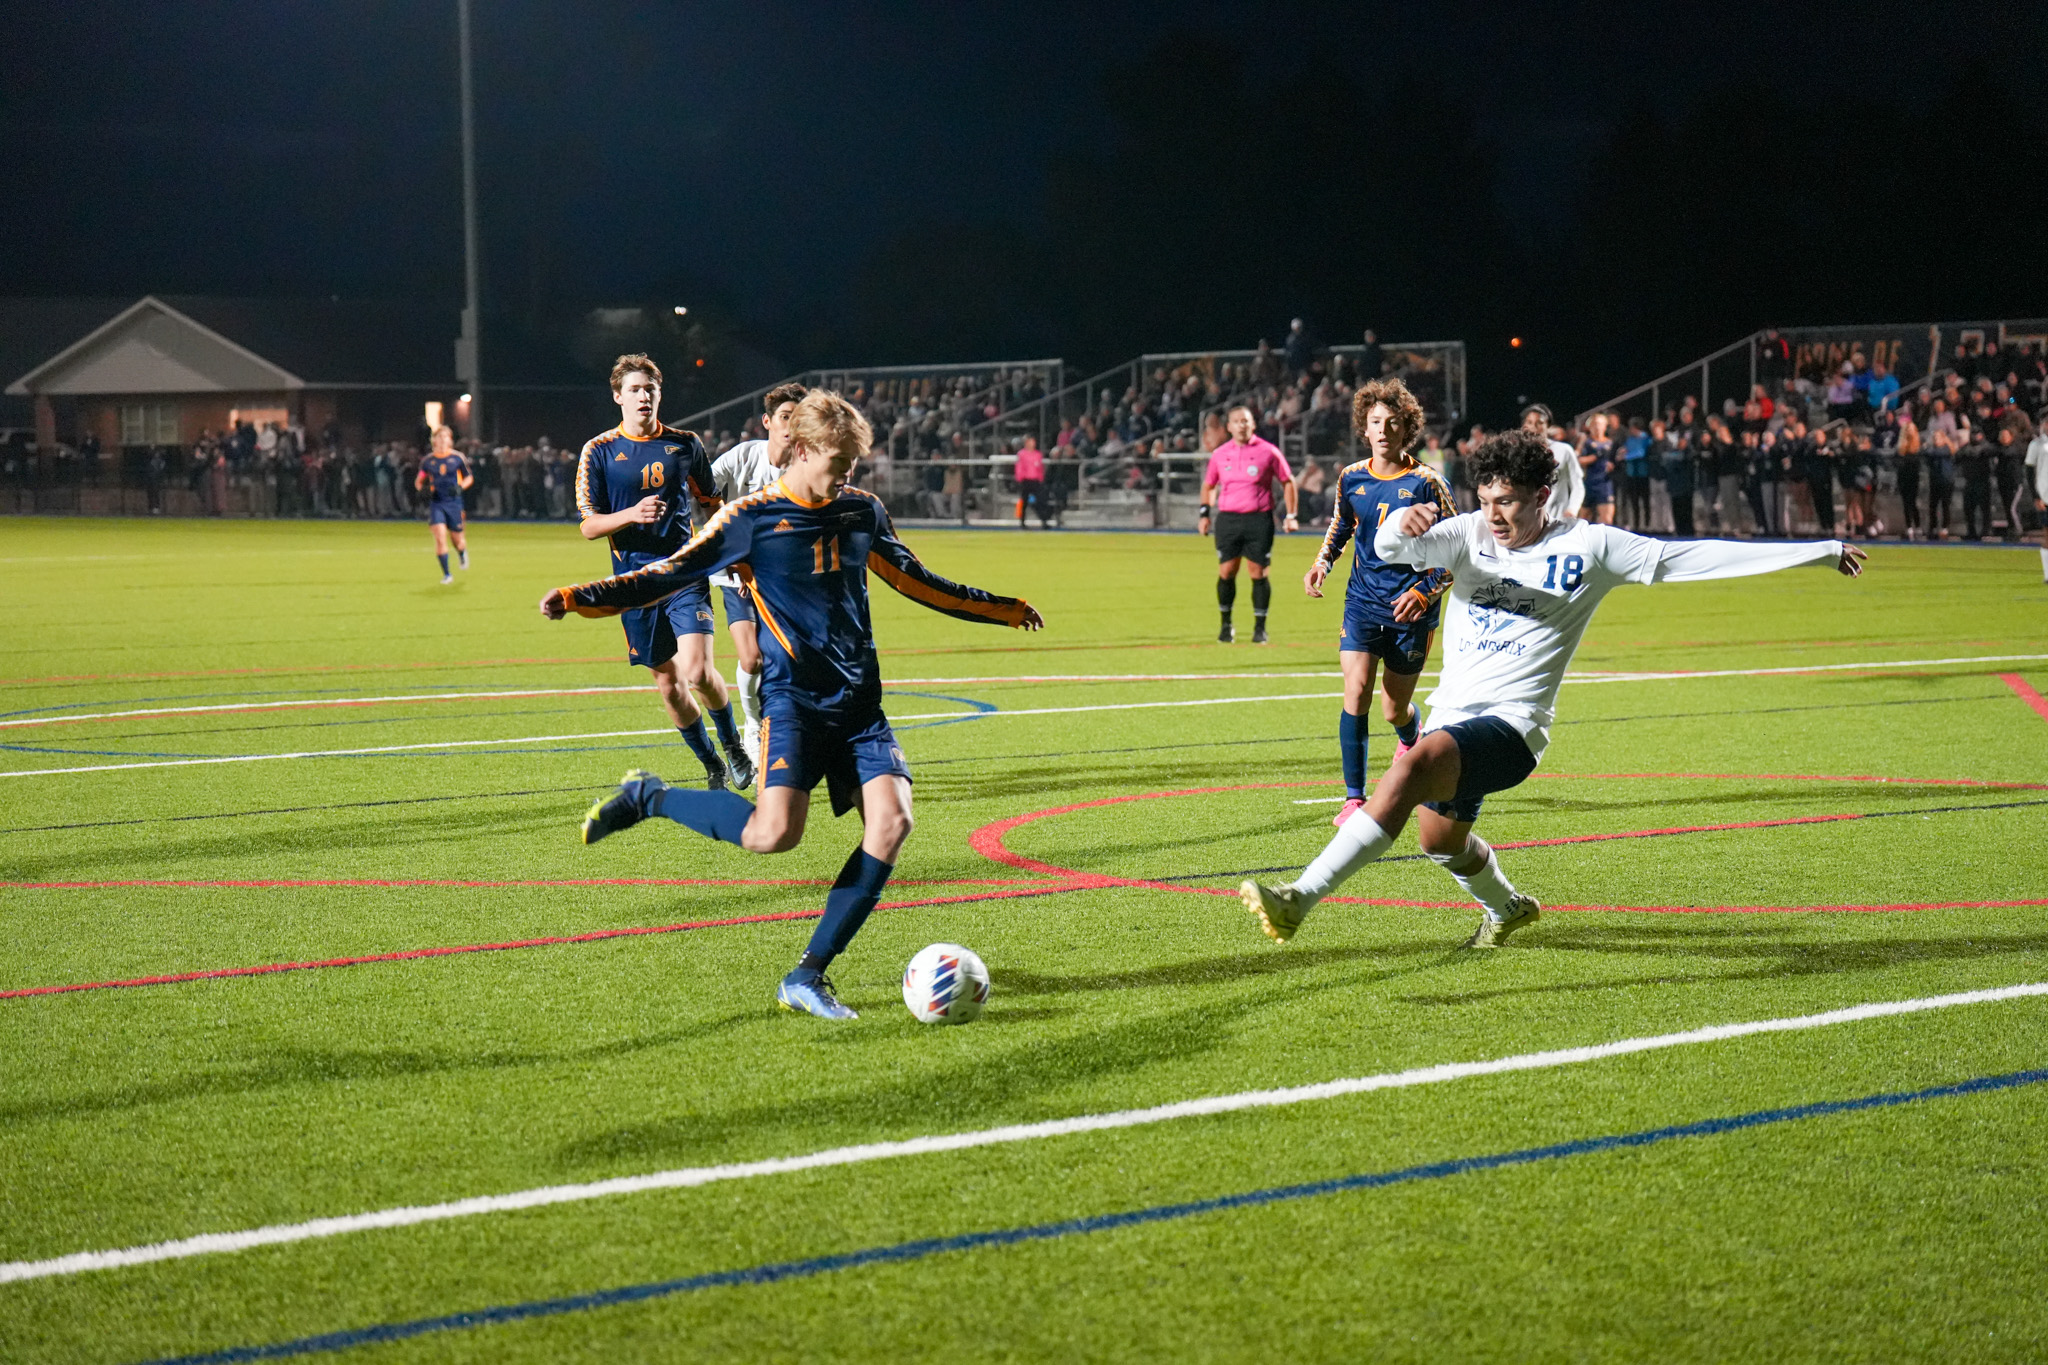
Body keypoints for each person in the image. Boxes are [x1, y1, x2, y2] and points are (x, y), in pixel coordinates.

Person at [1239, 429, 1866, 949]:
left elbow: (1690, 558)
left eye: (1508, 501)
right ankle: (1509, 908)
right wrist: (1402, 521)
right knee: (1440, 842)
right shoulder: (1468, 536)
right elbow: (1391, 549)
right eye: (1484, 500)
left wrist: (1816, 552)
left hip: (1513, 729)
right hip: (1455, 719)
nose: (1493, 515)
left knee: (1412, 766)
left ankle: (1299, 897)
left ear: (1543, 496)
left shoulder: (1589, 546)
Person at [541, 391, 1044, 1020]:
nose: (849, 474)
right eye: (839, 461)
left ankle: (807, 975)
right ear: (803, 450)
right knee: (772, 834)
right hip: (795, 703)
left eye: (855, 463)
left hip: (860, 702)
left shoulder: (862, 510)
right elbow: (667, 573)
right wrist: (580, 595)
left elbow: (917, 580)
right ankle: (651, 798)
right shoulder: (748, 519)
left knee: (892, 823)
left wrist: (1003, 608)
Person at [574, 353, 752, 791]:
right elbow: (588, 525)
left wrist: (728, 548)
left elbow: (711, 502)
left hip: (684, 575)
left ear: (659, 394)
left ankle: (733, 745)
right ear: (618, 396)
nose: (643, 397)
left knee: (697, 671)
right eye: (634, 389)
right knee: (670, 686)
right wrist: (630, 514)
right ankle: (711, 762)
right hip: (634, 585)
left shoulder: (685, 444)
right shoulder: (598, 451)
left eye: (650, 389)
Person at [1304, 377, 1457, 829]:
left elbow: (1459, 553)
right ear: (1364, 428)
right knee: (1356, 692)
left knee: (1394, 708)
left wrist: (1422, 590)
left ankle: (1411, 734)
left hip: (1412, 610)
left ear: (1406, 427)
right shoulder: (1351, 477)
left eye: (1393, 422)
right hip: (1362, 603)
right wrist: (1322, 564)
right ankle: (1354, 799)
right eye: (1375, 422)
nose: (1384, 429)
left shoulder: (1428, 482)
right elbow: (1341, 526)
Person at [710, 381, 808, 759]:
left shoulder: (806, 469)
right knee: (751, 658)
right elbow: (699, 488)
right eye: (785, 417)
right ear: (767, 421)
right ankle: (753, 725)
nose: (791, 425)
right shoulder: (741, 458)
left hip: (782, 579)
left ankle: (790, 726)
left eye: (799, 418)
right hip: (734, 576)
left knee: (790, 660)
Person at [1198, 404, 1299, 643]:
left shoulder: (1269, 452)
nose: (1242, 425)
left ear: (1253, 424)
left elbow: (1288, 481)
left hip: (1258, 519)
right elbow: (1209, 485)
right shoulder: (1220, 455)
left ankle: (1260, 628)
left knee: (1258, 572)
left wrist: (1291, 515)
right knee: (1226, 571)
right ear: (1229, 427)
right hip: (1228, 519)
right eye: (1237, 421)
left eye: (1246, 421)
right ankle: (1226, 626)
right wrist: (1204, 513)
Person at [413, 425, 472, 582]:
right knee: (439, 536)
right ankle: (447, 574)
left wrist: (460, 488)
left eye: (445, 437)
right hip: (437, 502)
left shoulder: (458, 458)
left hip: (454, 503)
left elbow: (469, 478)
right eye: (439, 437)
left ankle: (461, 553)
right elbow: (419, 480)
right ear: (434, 440)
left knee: (457, 539)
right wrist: (423, 490)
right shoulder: (428, 461)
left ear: (450, 440)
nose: (442, 440)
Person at [1520, 404, 1581, 523]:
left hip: (1557, 519)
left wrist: (1572, 509)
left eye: (1539, 422)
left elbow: (1577, 484)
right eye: (1530, 422)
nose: (1534, 427)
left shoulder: (1563, 450)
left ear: (1548, 425)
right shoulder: (1519, 453)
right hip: (1528, 521)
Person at [1578, 412, 1617, 524]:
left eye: (1600, 424)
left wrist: (1614, 465)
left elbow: (1616, 461)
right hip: (1588, 483)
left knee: (1607, 519)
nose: (1597, 427)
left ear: (1605, 426)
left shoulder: (1611, 443)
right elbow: (1579, 460)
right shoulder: (1586, 442)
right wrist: (1594, 457)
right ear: (1589, 427)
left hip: (1604, 484)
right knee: (1583, 520)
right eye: (1594, 424)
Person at [1013, 433, 1053, 528]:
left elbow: (1040, 468)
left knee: (1040, 501)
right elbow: (1020, 467)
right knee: (1024, 502)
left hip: (1035, 481)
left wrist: (1041, 478)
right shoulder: (1021, 454)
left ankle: (1044, 520)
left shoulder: (1038, 454)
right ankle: (1022, 522)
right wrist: (1020, 479)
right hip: (1025, 480)